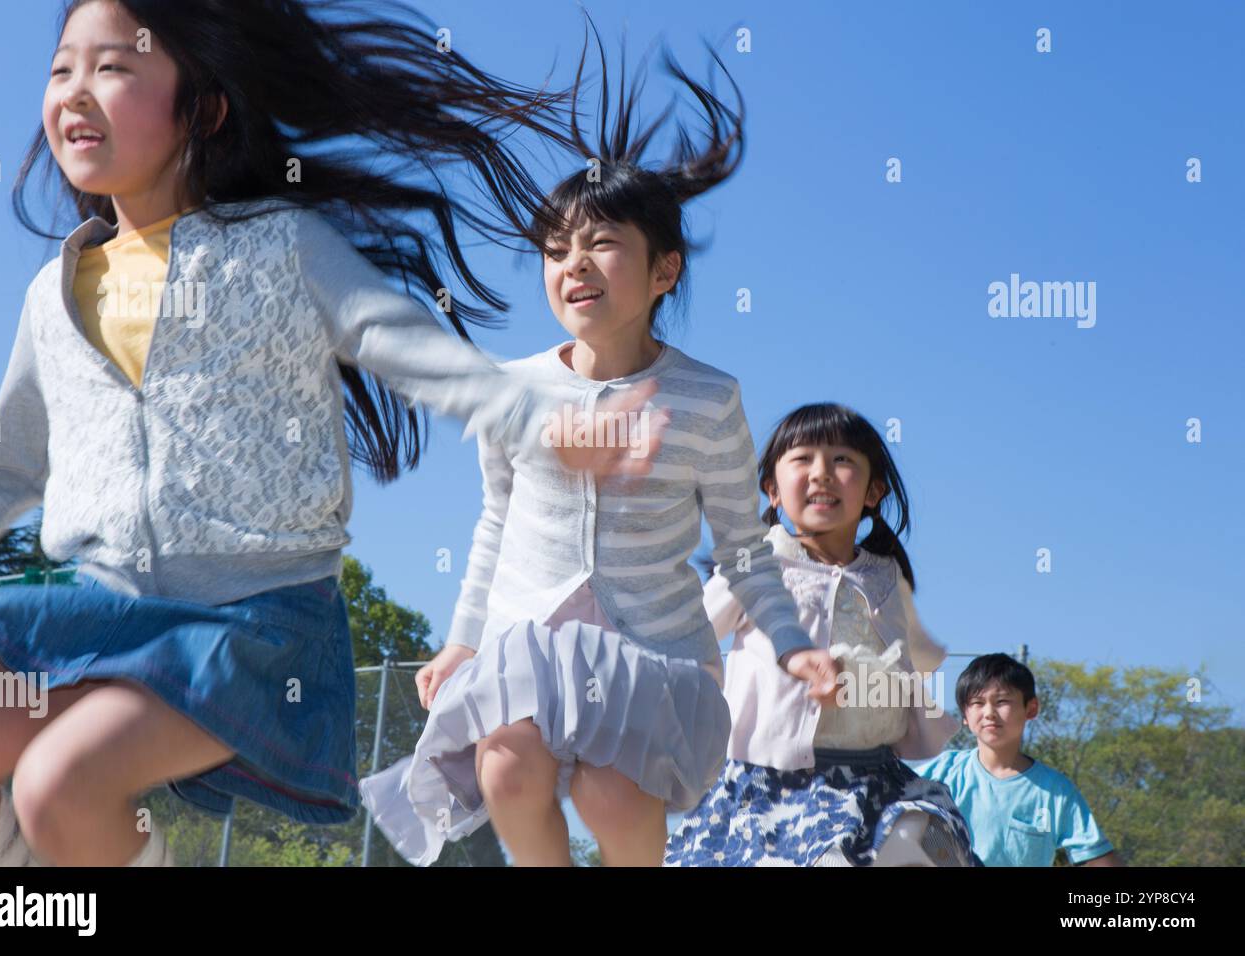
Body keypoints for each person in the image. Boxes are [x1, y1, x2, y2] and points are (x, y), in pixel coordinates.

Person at [0, 0, 653, 867]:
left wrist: (541, 420)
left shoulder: (278, 246)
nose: (75, 93)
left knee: (61, 783)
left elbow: (401, 339)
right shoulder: (49, 299)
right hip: (100, 609)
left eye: (113, 67)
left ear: (202, 110)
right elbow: (8, 465)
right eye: (61, 71)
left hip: (254, 624)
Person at [360, 29, 837, 867]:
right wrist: (462, 642)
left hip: (652, 653)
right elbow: (494, 522)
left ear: (664, 272)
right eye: (554, 251)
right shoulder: (510, 389)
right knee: (508, 767)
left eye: (601, 243)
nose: (572, 264)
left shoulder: (708, 397)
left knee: (612, 797)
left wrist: (792, 642)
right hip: (525, 640)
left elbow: (742, 546)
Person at [665, 403, 981, 866]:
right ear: (772, 490)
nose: (822, 473)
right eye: (802, 459)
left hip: (878, 777)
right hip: (773, 785)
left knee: (929, 843)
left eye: (843, 460)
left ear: (874, 491)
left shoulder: (886, 577)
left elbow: (915, 656)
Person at [912, 654, 1121, 866]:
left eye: (1001, 701)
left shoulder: (1056, 792)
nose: (989, 713)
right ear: (965, 715)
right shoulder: (938, 774)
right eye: (977, 702)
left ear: (1031, 709)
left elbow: (1099, 859)